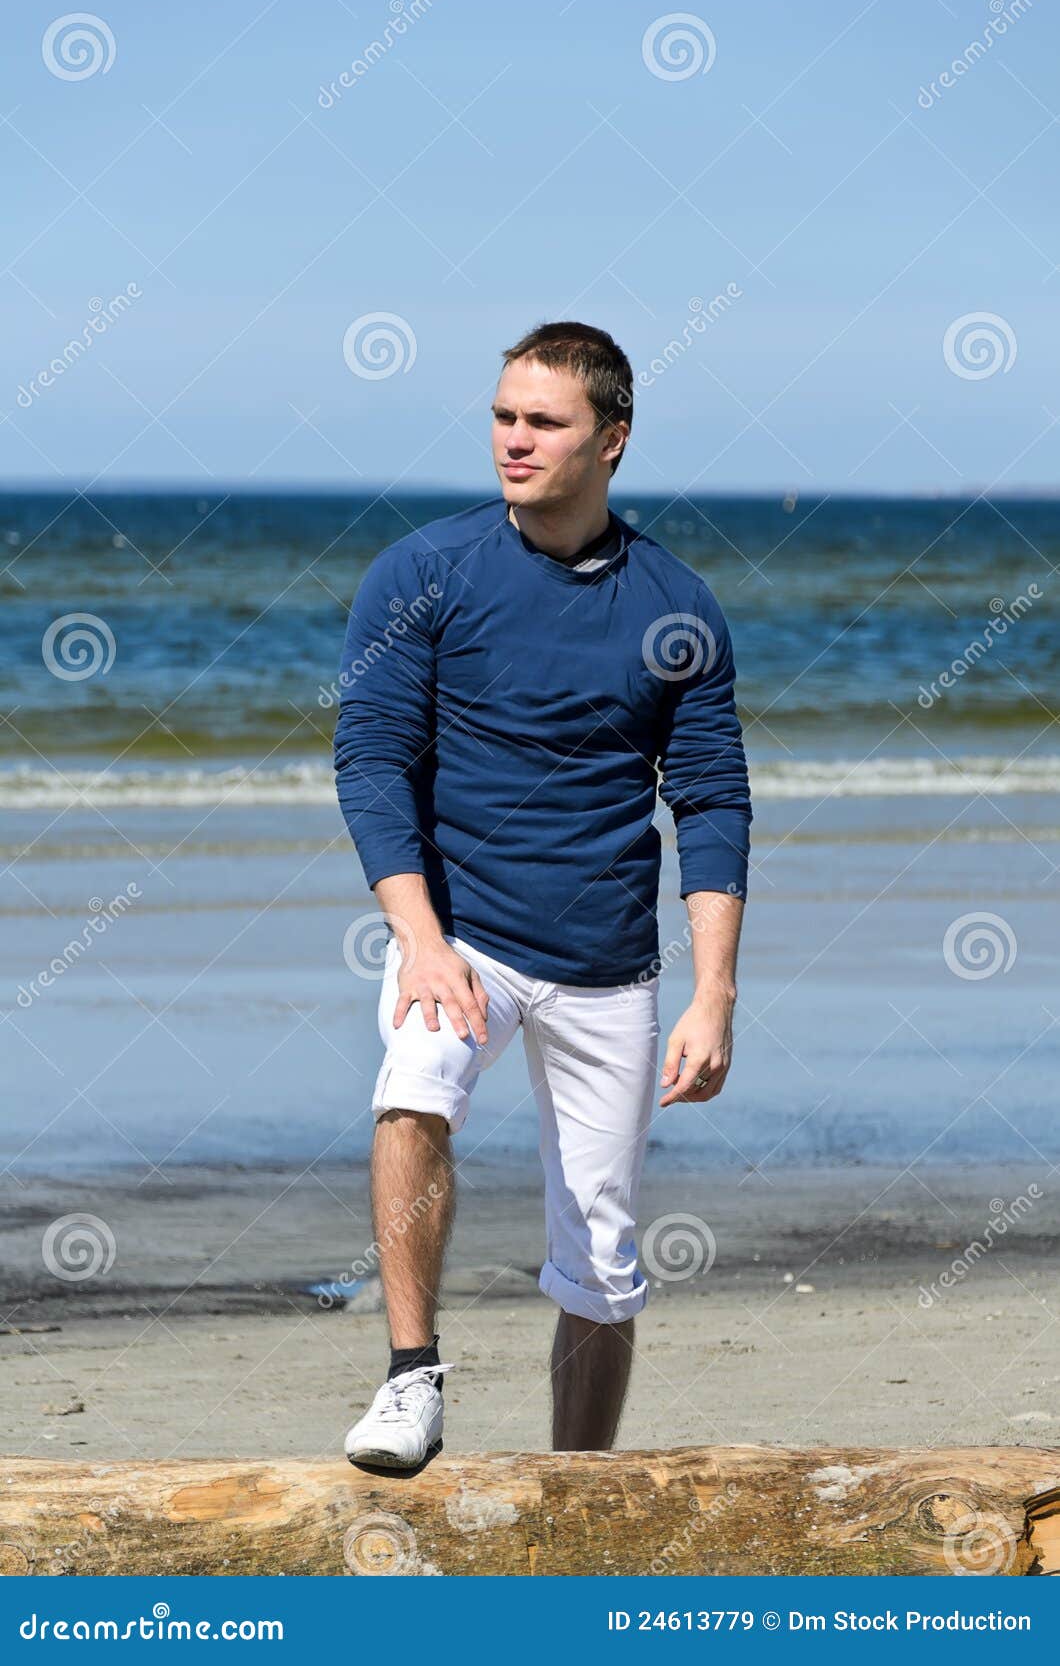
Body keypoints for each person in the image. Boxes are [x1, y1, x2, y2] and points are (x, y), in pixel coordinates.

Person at [333, 321, 752, 1465]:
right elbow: (371, 761)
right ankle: (410, 1376)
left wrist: (714, 993)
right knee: (415, 1081)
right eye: (503, 416)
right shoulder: (425, 573)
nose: (513, 440)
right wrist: (420, 939)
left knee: (603, 1264)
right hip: (461, 934)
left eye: (543, 422)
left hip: (607, 960)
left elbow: (710, 801)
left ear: (610, 439)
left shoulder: (675, 607)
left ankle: (578, 1489)